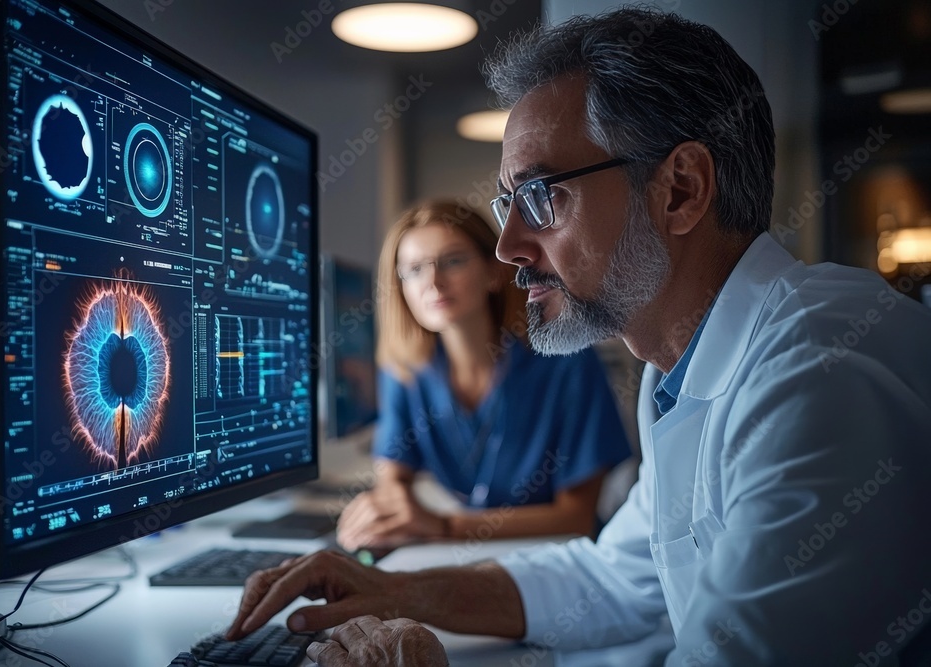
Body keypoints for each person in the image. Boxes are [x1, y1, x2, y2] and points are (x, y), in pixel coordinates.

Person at [227, 9, 931, 666]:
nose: (506, 247)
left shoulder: (816, 373)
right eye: (509, 203)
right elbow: (615, 577)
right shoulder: (676, 371)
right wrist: (392, 591)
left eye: (540, 196)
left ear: (680, 190)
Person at [336, 200, 632, 552]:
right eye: (413, 269)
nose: (433, 282)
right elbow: (393, 475)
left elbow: (576, 517)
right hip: (472, 551)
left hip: (561, 555)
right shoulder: (405, 372)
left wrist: (442, 525)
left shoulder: (567, 362)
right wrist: (393, 504)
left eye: (453, 261)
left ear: (493, 272)